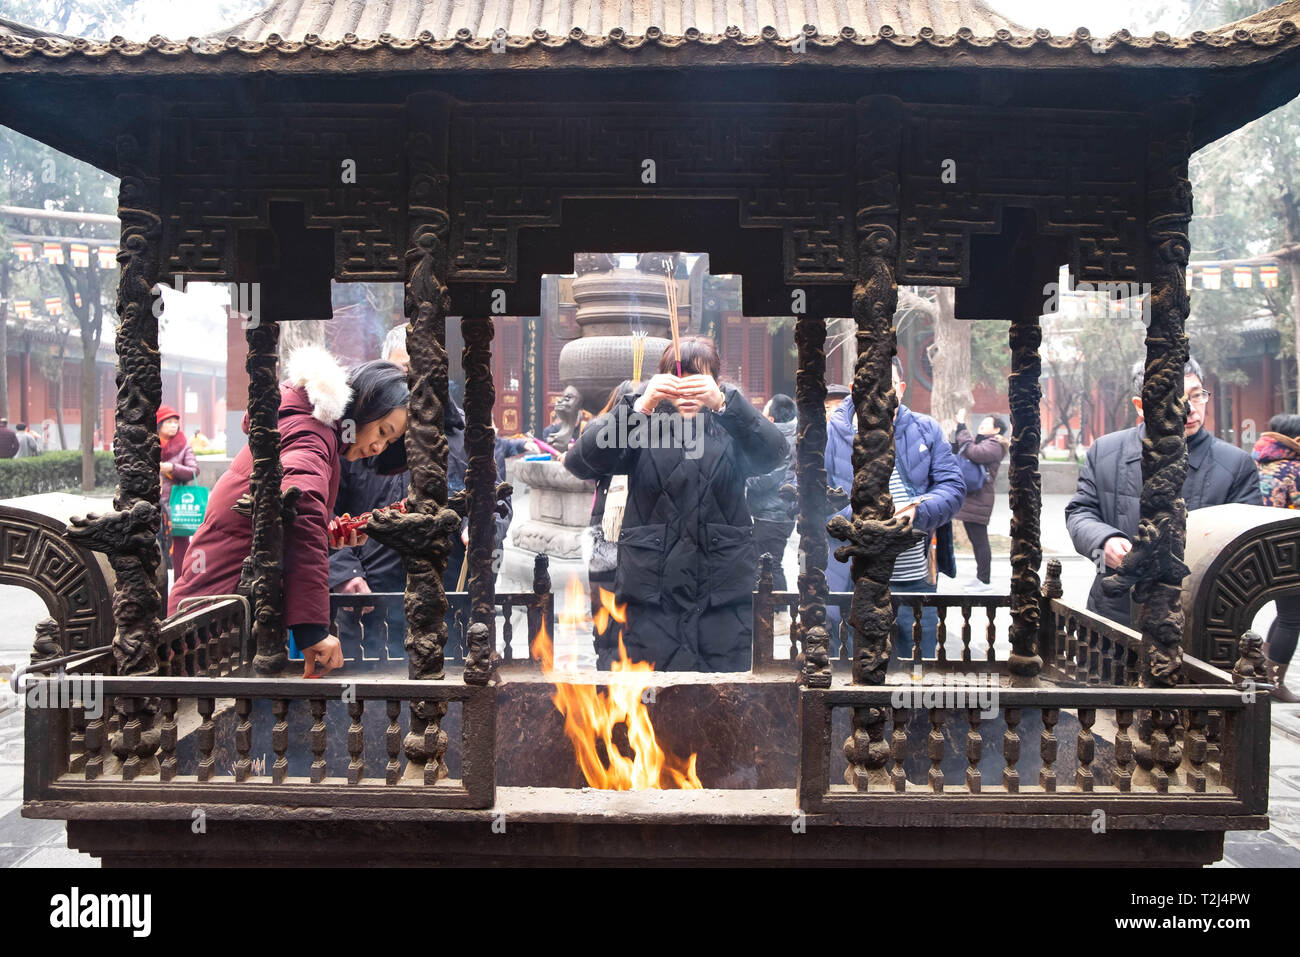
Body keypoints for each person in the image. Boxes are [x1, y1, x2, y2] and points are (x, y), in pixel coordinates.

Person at [169, 346, 409, 678]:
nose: (379, 447)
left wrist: (327, 537)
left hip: (226, 604)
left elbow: (287, 514)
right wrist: (312, 631)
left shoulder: (314, 428)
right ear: (364, 406)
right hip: (214, 613)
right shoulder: (313, 431)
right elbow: (301, 505)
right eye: (382, 432)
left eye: (390, 441)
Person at [565, 336, 787, 671]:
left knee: (722, 702)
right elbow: (580, 462)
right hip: (651, 596)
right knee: (652, 703)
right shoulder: (641, 426)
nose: (687, 392)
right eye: (678, 379)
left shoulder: (730, 428)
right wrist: (639, 405)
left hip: (721, 596)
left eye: (699, 380)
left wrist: (728, 405)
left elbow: (775, 453)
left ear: (715, 380)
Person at [1066, 356, 1261, 627]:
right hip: (1115, 611)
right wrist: (1104, 541)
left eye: (1197, 396)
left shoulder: (1236, 465)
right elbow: (1080, 512)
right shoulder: (1106, 452)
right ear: (1141, 406)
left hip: (1199, 619)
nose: (1190, 409)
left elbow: (1250, 548)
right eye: (1175, 400)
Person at [825, 357, 966, 660]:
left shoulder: (926, 429)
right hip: (852, 576)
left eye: (888, 384)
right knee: (855, 671)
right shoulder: (830, 435)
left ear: (901, 388)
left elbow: (953, 489)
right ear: (854, 389)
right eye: (869, 384)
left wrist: (915, 510)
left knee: (916, 671)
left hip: (913, 578)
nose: (879, 392)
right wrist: (864, 520)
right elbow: (809, 499)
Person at [583, 380, 639, 669]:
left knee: (627, 613)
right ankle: (606, 671)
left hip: (635, 533)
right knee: (606, 610)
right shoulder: (603, 435)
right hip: (606, 529)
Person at [1250, 414, 1300, 702]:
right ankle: (1274, 682)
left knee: (1284, 616)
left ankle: (1264, 677)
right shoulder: (1294, 470)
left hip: (1251, 548)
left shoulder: (1256, 464)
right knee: (1292, 618)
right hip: (1288, 551)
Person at [952, 412, 1010, 593]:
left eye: (986, 423)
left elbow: (974, 453)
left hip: (981, 498)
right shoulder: (983, 441)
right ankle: (980, 578)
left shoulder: (995, 445)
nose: (982, 424)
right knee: (976, 540)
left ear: (997, 429)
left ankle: (985, 581)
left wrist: (962, 426)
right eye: (982, 422)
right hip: (974, 497)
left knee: (980, 540)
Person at [746, 393, 798, 592]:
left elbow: (766, 478)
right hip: (775, 513)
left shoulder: (780, 441)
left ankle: (778, 609)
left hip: (774, 515)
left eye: (765, 410)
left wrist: (743, 476)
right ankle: (776, 609)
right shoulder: (789, 435)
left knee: (770, 564)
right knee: (770, 563)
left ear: (771, 419)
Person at [157, 405, 199, 575]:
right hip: (153, 503)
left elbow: (193, 470)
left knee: (180, 547)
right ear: (159, 425)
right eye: (169, 422)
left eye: (176, 422)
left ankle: (180, 584)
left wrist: (171, 467)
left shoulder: (184, 446)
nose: (174, 425)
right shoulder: (149, 445)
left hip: (177, 505)